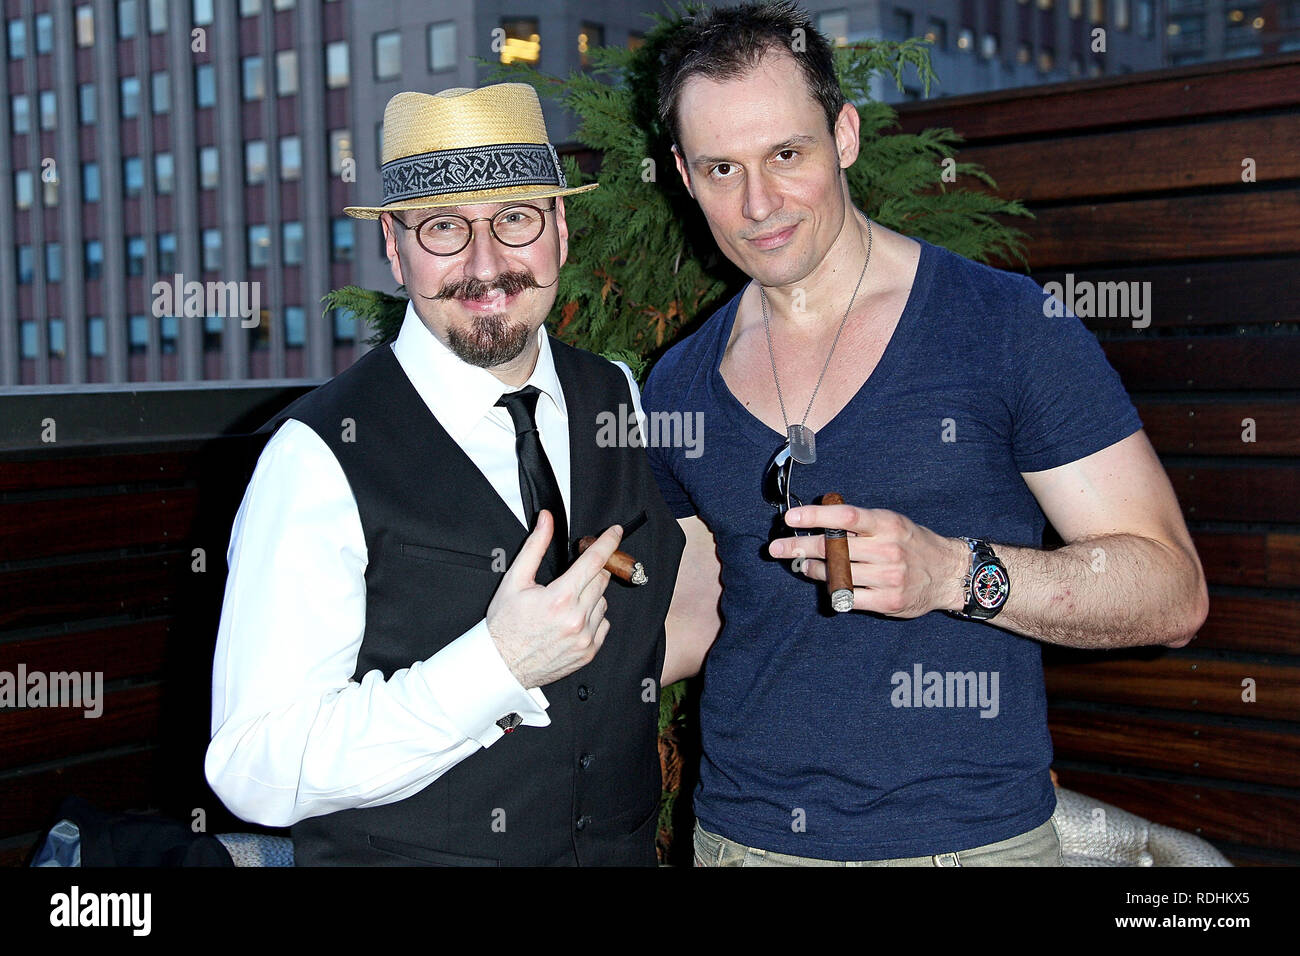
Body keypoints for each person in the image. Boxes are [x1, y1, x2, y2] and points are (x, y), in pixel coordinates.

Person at [643, 1, 1209, 867]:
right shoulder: (678, 380)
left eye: (786, 156)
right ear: (684, 174)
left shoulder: (1008, 326)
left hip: (967, 847)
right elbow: (698, 613)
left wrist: (956, 573)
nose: (758, 204)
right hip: (740, 844)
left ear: (845, 135)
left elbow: (1171, 593)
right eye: (722, 168)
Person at [205, 84, 686, 866]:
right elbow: (253, 768)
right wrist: (495, 667)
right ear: (394, 249)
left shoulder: (615, 395)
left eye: (516, 219)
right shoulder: (315, 458)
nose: (487, 264)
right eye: (443, 228)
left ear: (560, 229)